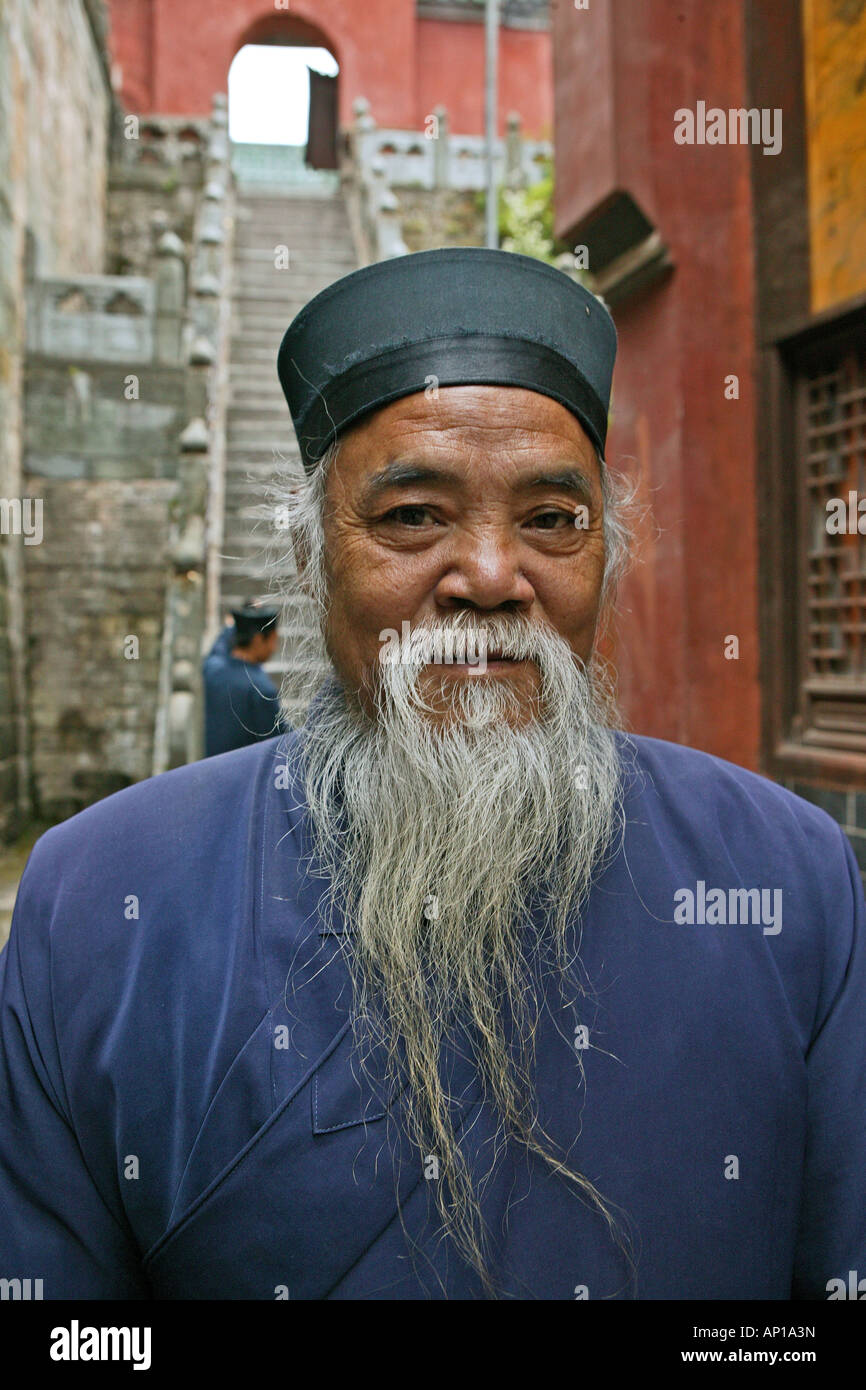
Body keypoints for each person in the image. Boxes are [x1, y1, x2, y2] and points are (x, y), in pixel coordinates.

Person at [0, 247, 864, 1300]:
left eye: (551, 519)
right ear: (313, 552)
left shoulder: (787, 881)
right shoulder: (99, 902)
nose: (493, 577)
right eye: (412, 516)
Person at [202, 603, 287, 757]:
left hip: (210, 770)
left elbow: (219, 645)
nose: (274, 648)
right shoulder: (261, 690)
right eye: (273, 640)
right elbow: (280, 743)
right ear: (258, 639)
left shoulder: (212, 669)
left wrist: (238, 622)